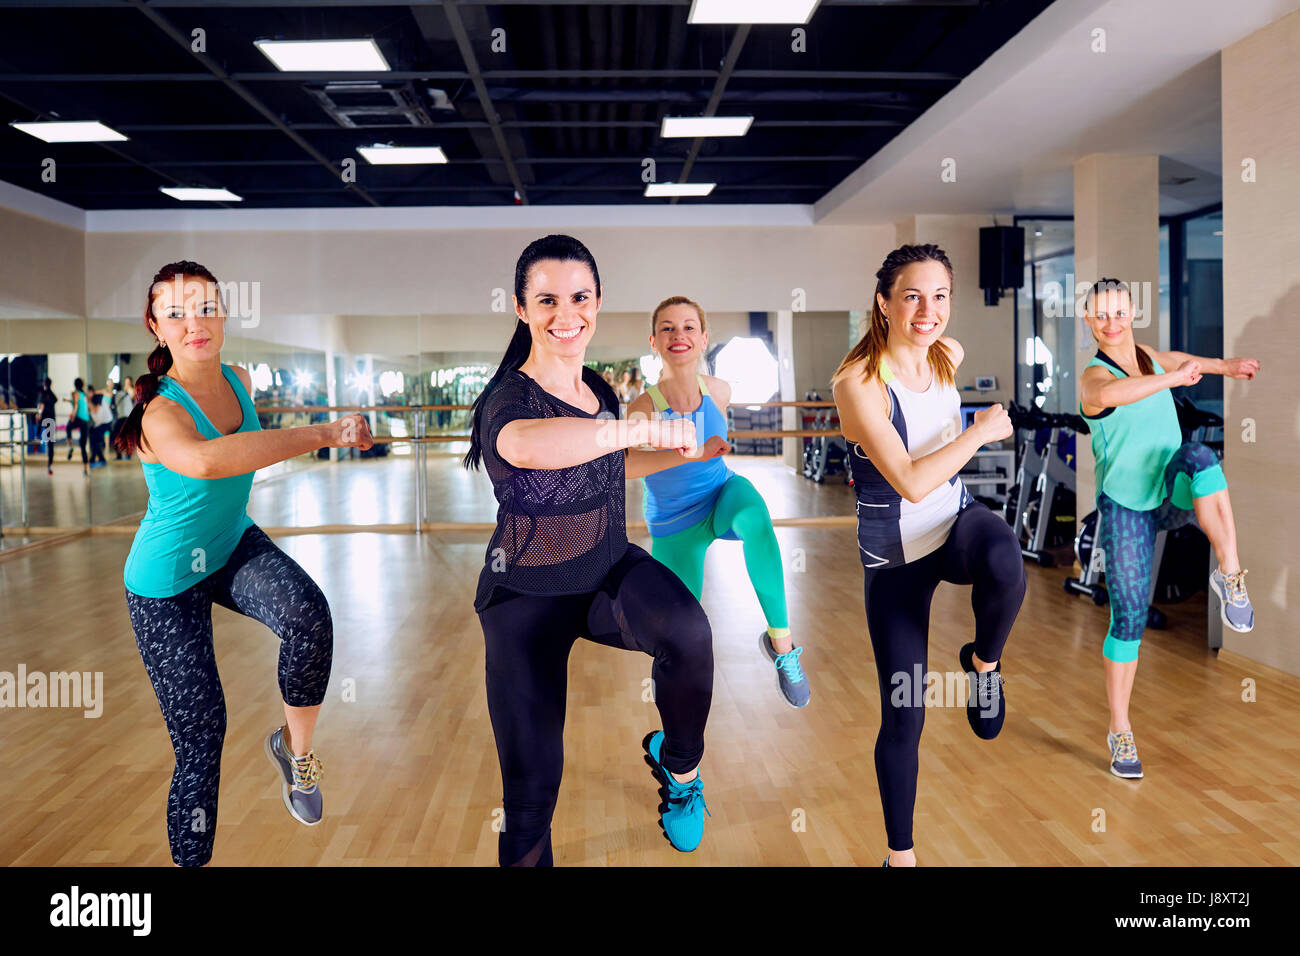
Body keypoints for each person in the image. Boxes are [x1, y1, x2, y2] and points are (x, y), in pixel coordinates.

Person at [465, 234, 714, 865]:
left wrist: (676, 453)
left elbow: (603, 465)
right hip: (524, 596)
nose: (565, 314)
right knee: (530, 797)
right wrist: (638, 426)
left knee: (690, 633)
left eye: (579, 297)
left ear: (598, 302)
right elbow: (527, 446)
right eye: (546, 300)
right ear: (521, 308)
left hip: (606, 570)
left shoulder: (599, 389)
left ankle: (680, 769)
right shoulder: (509, 399)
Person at [116, 260, 373, 867]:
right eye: (176, 314)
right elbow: (210, 462)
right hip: (164, 583)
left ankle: (295, 752)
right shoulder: (159, 414)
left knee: (309, 616)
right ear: (156, 326)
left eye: (206, 308)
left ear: (225, 315)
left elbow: (243, 450)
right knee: (202, 738)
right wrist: (325, 434)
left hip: (230, 543)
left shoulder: (238, 379)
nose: (194, 324)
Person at [832, 243, 1025, 867]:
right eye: (912, 296)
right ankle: (901, 856)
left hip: (955, 521)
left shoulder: (948, 354)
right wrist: (980, 431)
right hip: (896, 557)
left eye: (939, 296)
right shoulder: (858, 384)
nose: (928, 310)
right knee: (905, 712)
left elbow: (936, 485)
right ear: (884, 303)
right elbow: (912, 482)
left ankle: (983, 665)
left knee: (1006, 561)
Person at [1078, 278, 1259, 779]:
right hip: (1126, 508)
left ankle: (1230, 573)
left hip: (1169, 490)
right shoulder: (1094, 377)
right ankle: (1120, 728)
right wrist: (1170, 380)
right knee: (1128, 621)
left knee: (1201, 457)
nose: (1112, 322)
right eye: (1101, 314)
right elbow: (1115, 393)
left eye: (1120, 312)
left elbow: (1181, 359)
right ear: (1089, 320)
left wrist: (1225, 367)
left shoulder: (1151, 356)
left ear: (1133, 312)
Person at [628, 295, 809, 707]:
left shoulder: (719, 390)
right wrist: (687, 453)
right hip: (675, 523)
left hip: (722, 494)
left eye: (688, 327)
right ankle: (674, 731)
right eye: (668, 328)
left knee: (756, 520)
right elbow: (625, 465)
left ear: (704, 338)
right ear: (654, 341)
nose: (679, 335)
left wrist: (706, 457)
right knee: (678, 633)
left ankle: (782, 646)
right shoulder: (644, 408)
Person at [66, 377, 90, 474]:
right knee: (83, 446)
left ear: (75, 385)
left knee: (68, 427)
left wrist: (72, 415)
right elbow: (80, 404)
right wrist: (67, 401)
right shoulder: (84, 395)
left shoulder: (75, 393)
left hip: (79, 418)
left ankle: (70, 446)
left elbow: (76, 405)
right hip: (86, 420)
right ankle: (86, 469)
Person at [36, 377, 58, 475]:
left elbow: (41, 405)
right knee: (50, 444)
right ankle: (49, 465)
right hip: (51, 419)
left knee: (39, 428)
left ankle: (36, 438)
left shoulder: (43, 394)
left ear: (44, 384)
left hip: (44, 418)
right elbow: (54, 400)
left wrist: (39, 413)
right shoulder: (52, 395)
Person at [88, 389, 112, 467]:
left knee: (95, 440)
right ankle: (101, 459)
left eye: (90, 392)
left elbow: (96, 411)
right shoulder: (93, 399)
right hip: (101, 423)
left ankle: (94, 459)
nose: (88, 395)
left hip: (105, 422)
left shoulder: (97, 397)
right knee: (94, 439)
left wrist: (89, 402)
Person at [112, 378, 135, 459]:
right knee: (128, 436)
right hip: (130, 418)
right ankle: (128, 454)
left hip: (122, 418)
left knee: (115, 436)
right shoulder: (126, 395)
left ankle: (118, 455)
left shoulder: (116, 395)